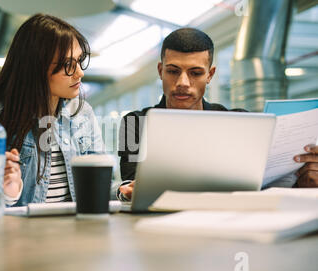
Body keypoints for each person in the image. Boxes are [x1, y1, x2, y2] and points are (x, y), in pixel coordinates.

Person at [117, 28, 317, 201]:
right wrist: (126, 191)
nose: (183, 83)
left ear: (210, 75)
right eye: (173, 71)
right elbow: (129, 184)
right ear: (161, 71)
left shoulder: (241, 123)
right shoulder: (134, 123)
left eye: (195, 73)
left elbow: (261, 186)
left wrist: (303, 182)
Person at [0, 14, 104, 213]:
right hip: (20, 240)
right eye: (68, 65)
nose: (80, 73)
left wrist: (123, 191)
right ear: (38, 69)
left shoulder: (82, 114)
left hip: (75, 236)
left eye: (79, 61)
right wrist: (4, 194)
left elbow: (99, 188)